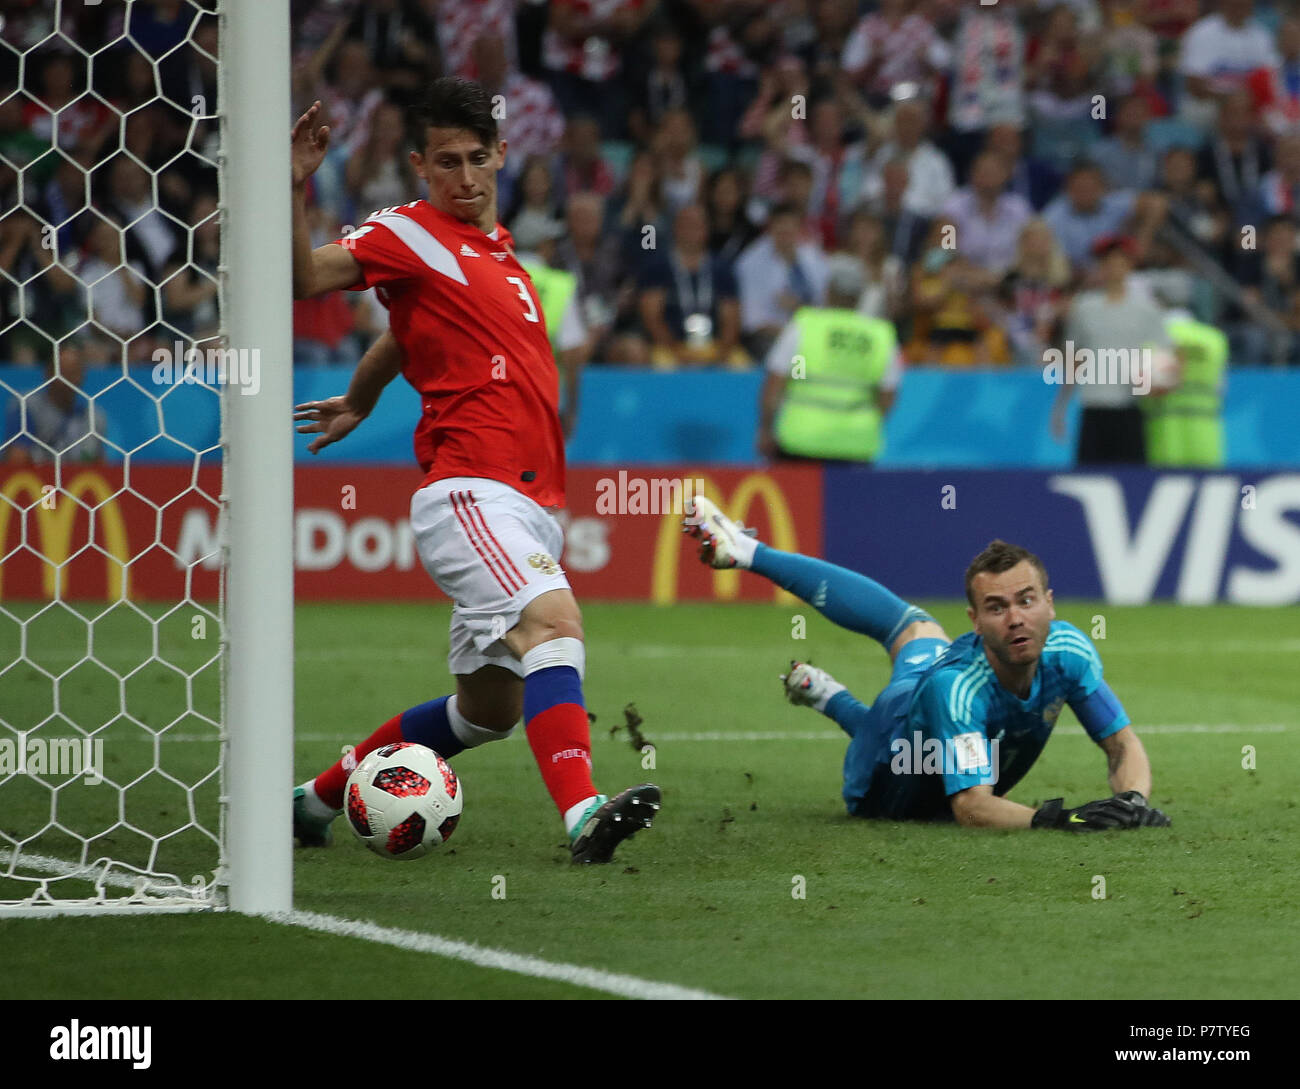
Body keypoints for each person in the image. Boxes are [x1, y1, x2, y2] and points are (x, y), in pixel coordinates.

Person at [287, 78, 659, 863]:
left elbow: (401, 334)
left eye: (477, 158)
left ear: (500, 157)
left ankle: (312, 802)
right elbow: (308, 279)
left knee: (487, 710)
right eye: (446, 162)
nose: (464, 176)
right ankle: (584, 813)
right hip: (469, 490)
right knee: (554, 625)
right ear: (419, 165)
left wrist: (360, 397)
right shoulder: (408, 230)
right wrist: (296, 186)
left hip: (527, 503)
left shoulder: (502, 258)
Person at [682, 499, 1171, 832]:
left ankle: (819, 684)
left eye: (1027, 601)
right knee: (904, 664)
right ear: (975, 622)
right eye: (998, 608)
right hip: (880, 777)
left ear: (1050, 603)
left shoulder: (1071, 652)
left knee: (913, 627)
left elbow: (1121, 744)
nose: (1017, 618)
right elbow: (972, 806)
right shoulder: (956, 690)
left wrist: (1132, 803)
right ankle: (752, 559)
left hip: (933, 701)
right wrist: (1064, 820)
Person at [757, 259, 900, 462]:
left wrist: (766, 429)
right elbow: (888, 395)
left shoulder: (804, 325)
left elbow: (775, 385)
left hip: (801, 439)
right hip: (855, 443)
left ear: (828, 291)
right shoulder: (880, 334)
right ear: (859, 296)